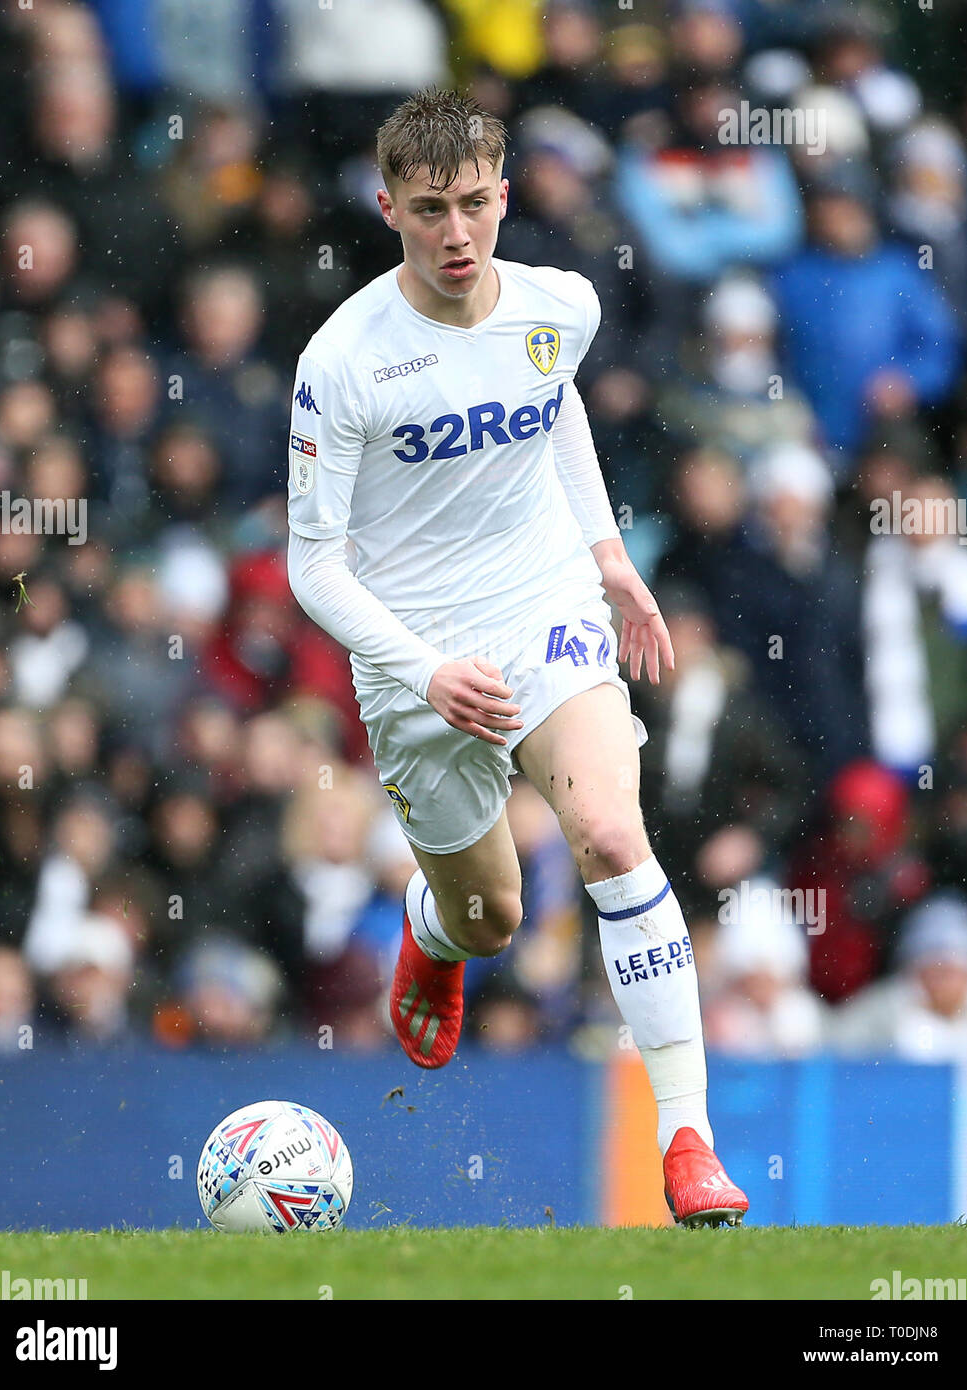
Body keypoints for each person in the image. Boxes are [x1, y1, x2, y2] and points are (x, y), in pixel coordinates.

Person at [285, 89, 747, 1227]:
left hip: (540, 600)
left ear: (506, 195)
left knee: (605, 833)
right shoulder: (341, 362)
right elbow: (312, 566)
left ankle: (686, 1139)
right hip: (412, 648)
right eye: (430, 209)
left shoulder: (560, 305)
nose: (456, 235)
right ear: (389, 206)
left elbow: (551, 409)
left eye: (476, 206)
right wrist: (420, 670)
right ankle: (433, 932)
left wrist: (609, 559)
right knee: (491, 915)